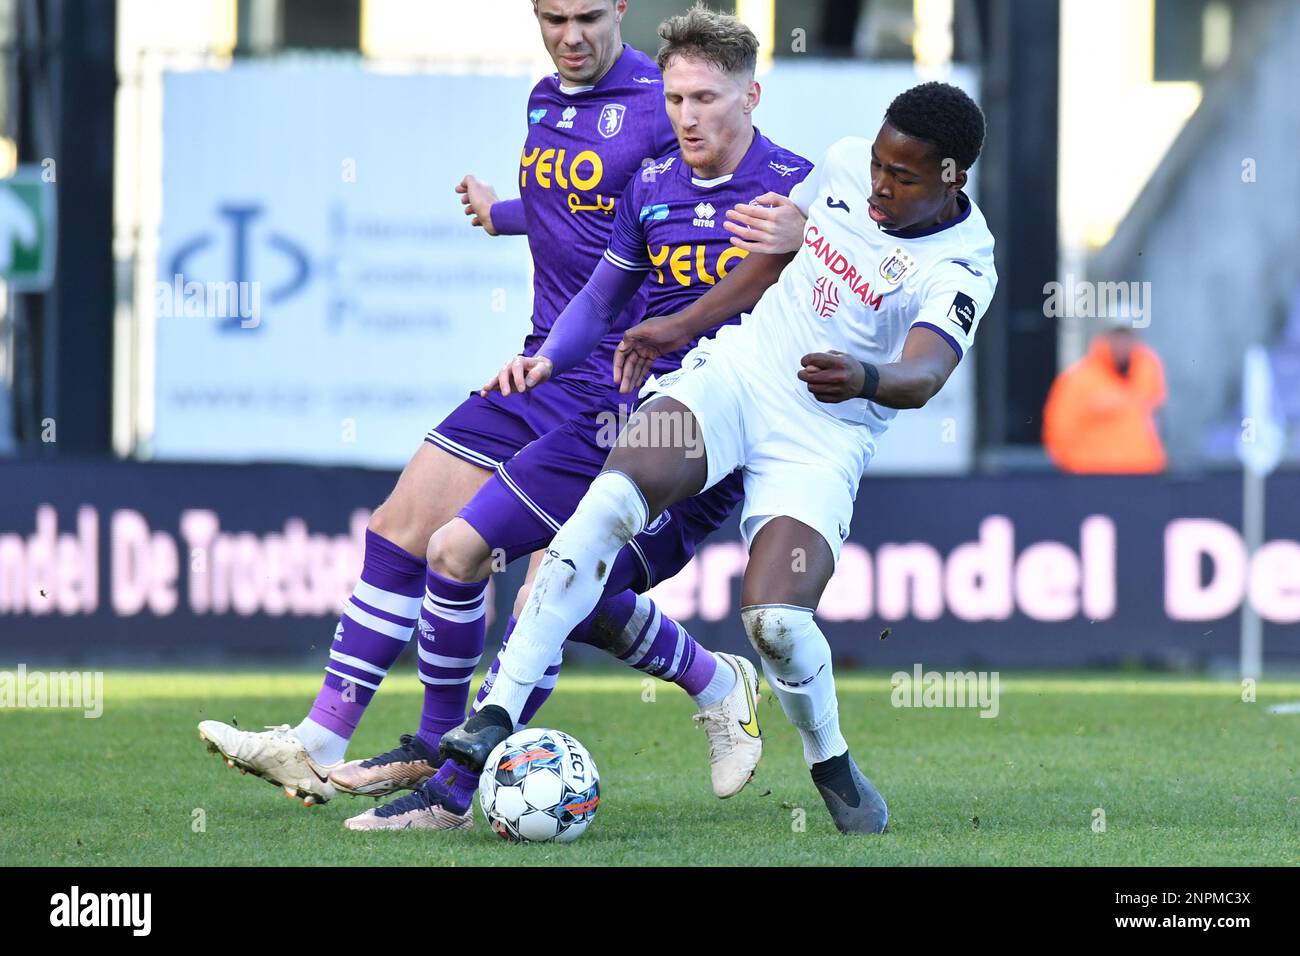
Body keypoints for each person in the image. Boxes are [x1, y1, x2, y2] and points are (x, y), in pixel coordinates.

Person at [197, 0, 723, 807]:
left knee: (559, 593)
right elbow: (575, 212)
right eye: (552, 18)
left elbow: (680, 222)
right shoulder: (545, 99)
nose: (570, 36)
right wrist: (503, 213)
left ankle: (459, 769)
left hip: (619, 385)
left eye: (588, 16)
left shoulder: (666, 104)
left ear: (622, 8)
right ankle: (318, 741)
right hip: (537, 367)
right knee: (404, 528)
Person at [441, 81, 999, 835]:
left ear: (951, 177)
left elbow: (925, 373)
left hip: (825, 434)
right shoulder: (839, 168)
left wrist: (864, 377)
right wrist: (678, 328)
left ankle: (830, 760)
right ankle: (496, 712)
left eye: (901, 177)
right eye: (876, 164)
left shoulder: (964, 265)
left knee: (774, 619)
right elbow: (772, 261)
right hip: (740, 375)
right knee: (606, 505)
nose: (877, 184)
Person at [339, 3, 816, 831]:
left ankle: (454, 795)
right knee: (455, 549)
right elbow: (599, 300)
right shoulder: (654, 187)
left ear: (751, 97)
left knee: (557, 596)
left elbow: (879, 273)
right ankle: (443, 745)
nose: (687, 117)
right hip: (615, 418)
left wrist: (811, 236)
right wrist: (547, 360)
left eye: (705, 98)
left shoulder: (802, 192)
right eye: (674, 101)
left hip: (703, 445)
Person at [1042, 316, 1167, 473]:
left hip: (1144, 474)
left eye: (1127, 336)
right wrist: (1077, 468)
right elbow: (1058, 432)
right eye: (1116, 335)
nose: (1122, 343)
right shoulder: (1078, 380)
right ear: (1104, 337)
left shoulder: (1148, 372)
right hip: (1095, 478)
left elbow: (1157, 423)